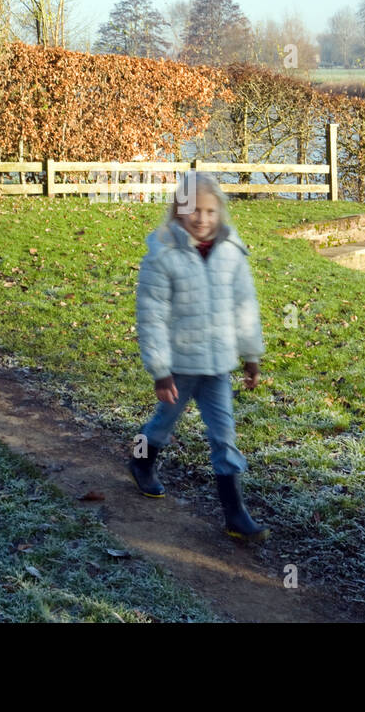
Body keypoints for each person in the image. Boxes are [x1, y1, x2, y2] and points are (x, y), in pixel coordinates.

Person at [131, 171, 270, 542]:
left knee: (224, 436)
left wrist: (251, 355)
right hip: (179, 365)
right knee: (162, 423)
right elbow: (152, 314)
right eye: (193, 210)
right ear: (178, 211)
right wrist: (160, 369)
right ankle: (141, 461)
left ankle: (235, 513)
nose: (202, 219)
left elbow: (245, 305)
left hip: (219, 366)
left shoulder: (231, 251)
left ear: (220, 212)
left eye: (210, 211)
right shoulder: (163, 254)